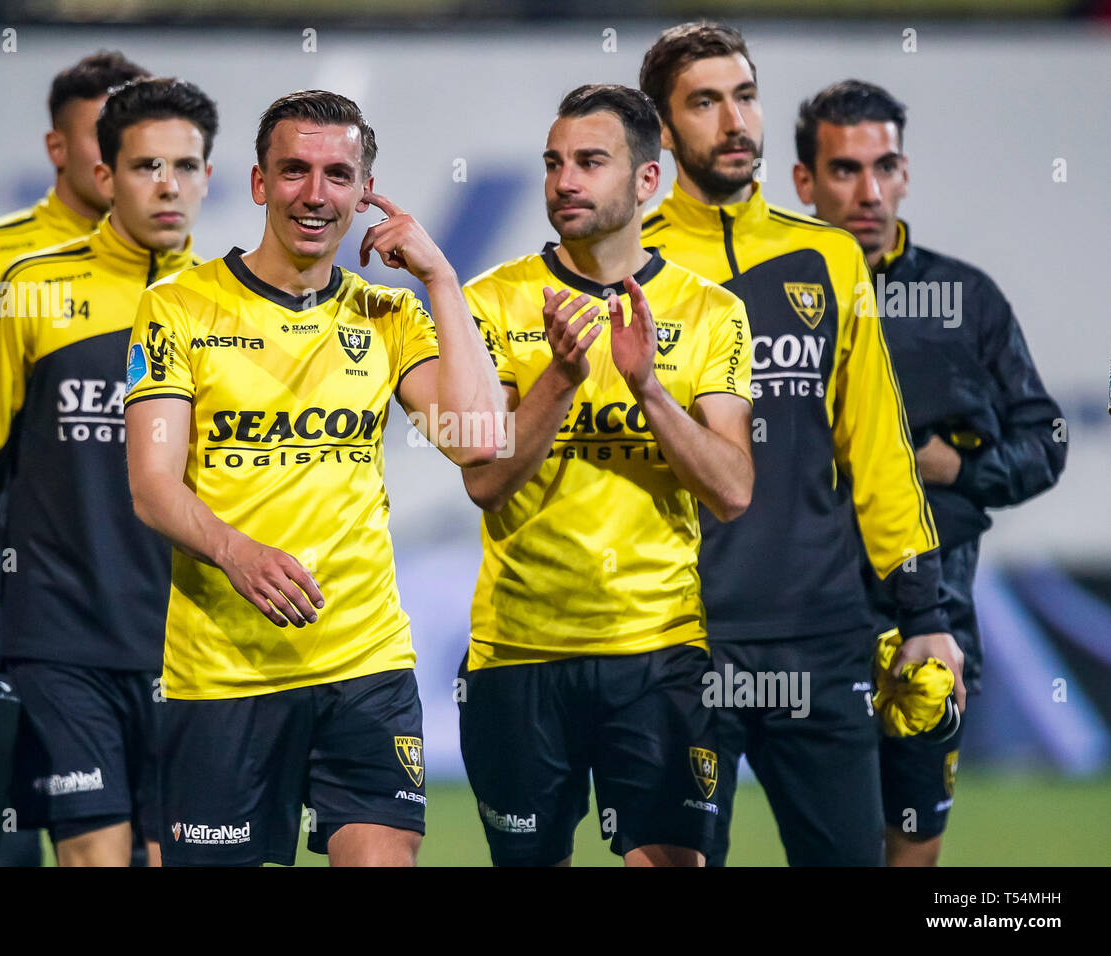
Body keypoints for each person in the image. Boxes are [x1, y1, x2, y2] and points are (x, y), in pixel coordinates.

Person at [123, 90, 505, 867]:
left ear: (364, 192)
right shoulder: (179, 309)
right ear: (260, 183)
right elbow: (152, 485)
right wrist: (239, 553)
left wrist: (438, 278)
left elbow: (477, 441)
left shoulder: (387, 317)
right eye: (294, 170)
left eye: (338, 174)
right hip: (224, 675)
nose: (314, 193)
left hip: (365, 664)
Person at [638, 21, 960, 866]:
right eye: (705, 103)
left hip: (820, 635)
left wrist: (925, 612)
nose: (735, 121)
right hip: (677, 635)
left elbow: (877, 445)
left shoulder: (827, 256)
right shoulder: (629, 264)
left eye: (744, 96)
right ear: (663, 131)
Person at [456, 84, 753, 867]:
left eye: (590, 161)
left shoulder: (710, 311)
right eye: (554, 163)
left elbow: (732, 488)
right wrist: (560, 376)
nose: (565, 181)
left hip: (659, 655)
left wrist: (648, 387)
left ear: (647, 181)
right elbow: (484, 482)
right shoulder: (491, 302)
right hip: (518, 656)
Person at [0, 77, 215, 867]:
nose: (168, 186)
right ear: (103, 177)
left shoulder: (225, 306)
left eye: (186, 167)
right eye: (145, 166)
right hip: (60, 643)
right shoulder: (33, 289)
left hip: (193, 648)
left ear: (210, 178)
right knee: (95, 859)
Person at [792, 79, 1067, 865]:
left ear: (906, 173)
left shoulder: (966, 302)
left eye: (885, 167)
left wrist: (961, 466)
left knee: (913, 848)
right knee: (835, 849)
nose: (869, 192)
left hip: (932, 621)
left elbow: (1047, 438)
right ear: (805, 182)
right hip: (805, 629)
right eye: (845, 170)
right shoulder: (773, 298)